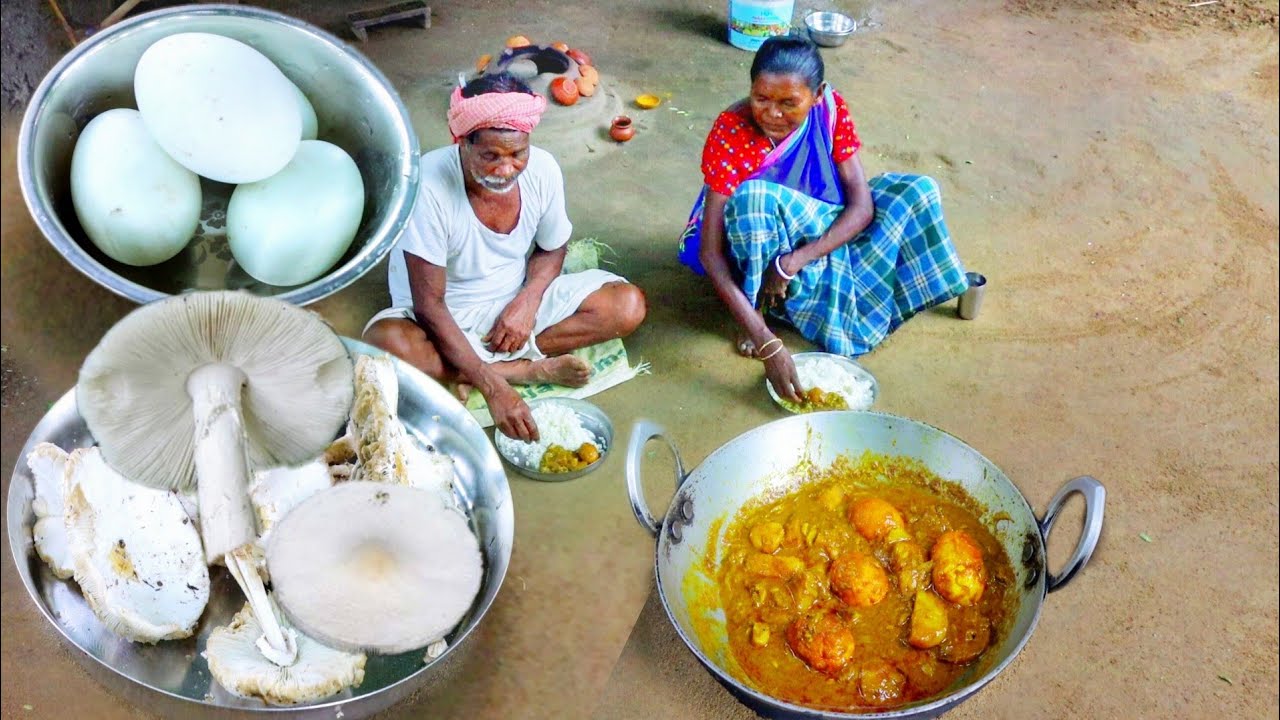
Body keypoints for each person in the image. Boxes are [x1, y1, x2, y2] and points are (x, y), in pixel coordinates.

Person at [678, 35, 969, 402]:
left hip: (816, 234)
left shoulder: (830, 111)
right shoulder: (731, 132)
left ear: (817, 96)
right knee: (753, 199)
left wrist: (794, 262)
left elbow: (861, 207)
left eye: (789, 103)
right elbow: (711, 254)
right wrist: (766, 342)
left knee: (917, 191)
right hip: (757, 246)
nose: (771, 113)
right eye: (761, 98)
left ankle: (802, 289)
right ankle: (758, 310)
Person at [364, 72, 647, 442]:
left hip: (513, 306)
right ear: (462, 143)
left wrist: (527, 302)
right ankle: (523, 371)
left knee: (627, 306)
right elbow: (429, 305)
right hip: (439, 317)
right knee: (386, 346)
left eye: (517, 153)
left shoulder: (543, 170)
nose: (506, 168)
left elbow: (553, 247)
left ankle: (465, 371)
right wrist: (496, 390)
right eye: (490, 156)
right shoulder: (428, 187)